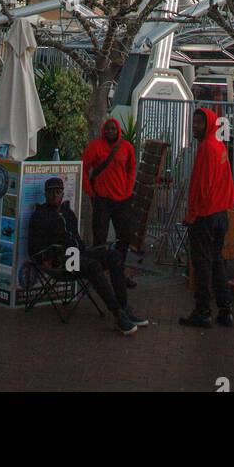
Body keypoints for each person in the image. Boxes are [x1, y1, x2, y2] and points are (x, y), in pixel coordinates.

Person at [27, 176, 147, 335]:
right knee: (93, 266)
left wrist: (86, 251)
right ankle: (118, 314)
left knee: (114, 256)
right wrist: (49, 260)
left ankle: (125, 308)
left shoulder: (67, 212)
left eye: (58, 191)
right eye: (51, 192)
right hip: (61, 260)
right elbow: (34, 250)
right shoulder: (39, 216)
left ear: (63, 193)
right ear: (45, 194)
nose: (55, 195)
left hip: (79, 254)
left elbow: (77, 240)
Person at [179, 107, 234, 329]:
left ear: (208, 124)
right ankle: (225, 309)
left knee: (202, 264)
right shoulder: (219, 146)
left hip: (206, 216)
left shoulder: (207, 148)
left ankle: (203, 311)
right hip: (220, 213)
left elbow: (203, 185)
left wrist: (193, 214)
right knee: (216, 263)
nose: (194, 126)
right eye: (193, 122)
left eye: (198, 123)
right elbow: (227, 181)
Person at [82, 116, 137, 267]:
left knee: (124, 236)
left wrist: (128, 190)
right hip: (102, 199)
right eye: (107, 128)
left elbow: (132, 169)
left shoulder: (126, 147)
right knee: (100, 237)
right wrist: (90, 191)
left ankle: (118, 269)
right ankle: (98, 271)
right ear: (103, 130)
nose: (110, 131)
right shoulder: (95, 146)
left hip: (122, 200)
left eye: (113, 128)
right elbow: (84, 169)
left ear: (118, 130)